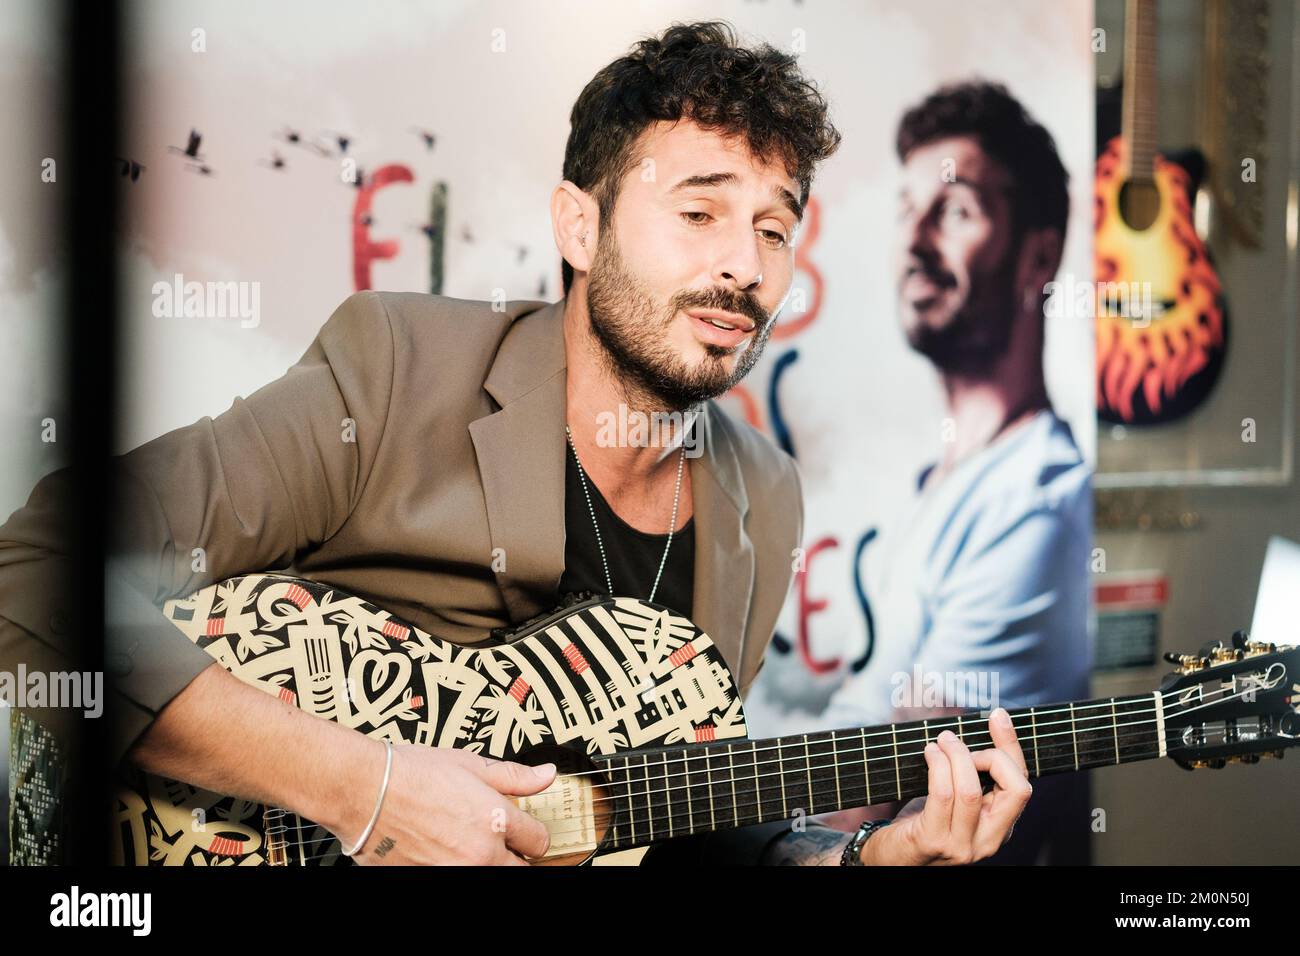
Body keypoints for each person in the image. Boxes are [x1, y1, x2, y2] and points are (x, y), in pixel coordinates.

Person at [0, 23, 1029, 866]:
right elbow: (37, 567)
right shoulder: (398, 366)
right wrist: (363, 786)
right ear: (579, 229)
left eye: (774, 226)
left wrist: (847, 861)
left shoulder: (763, 495)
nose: (743, 264)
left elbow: (663, 802)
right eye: (701, 210)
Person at [818, 81, 1093, 864]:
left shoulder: (1036, 504)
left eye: (956, 210)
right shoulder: (943, 480)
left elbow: (875, 791)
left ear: (1039, 252)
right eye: (908, 210)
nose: (916, 241)